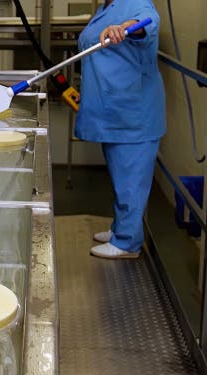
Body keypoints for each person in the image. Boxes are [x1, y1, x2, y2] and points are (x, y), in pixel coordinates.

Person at [74, 0, 164, 259]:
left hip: (132, 111)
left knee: (131, 181)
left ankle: (127, 242)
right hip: (114, 110)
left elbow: (147, 23)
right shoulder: (107, 7)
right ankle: (120, 229)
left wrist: (127, 27)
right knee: (121, 177)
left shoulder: (136, 3)